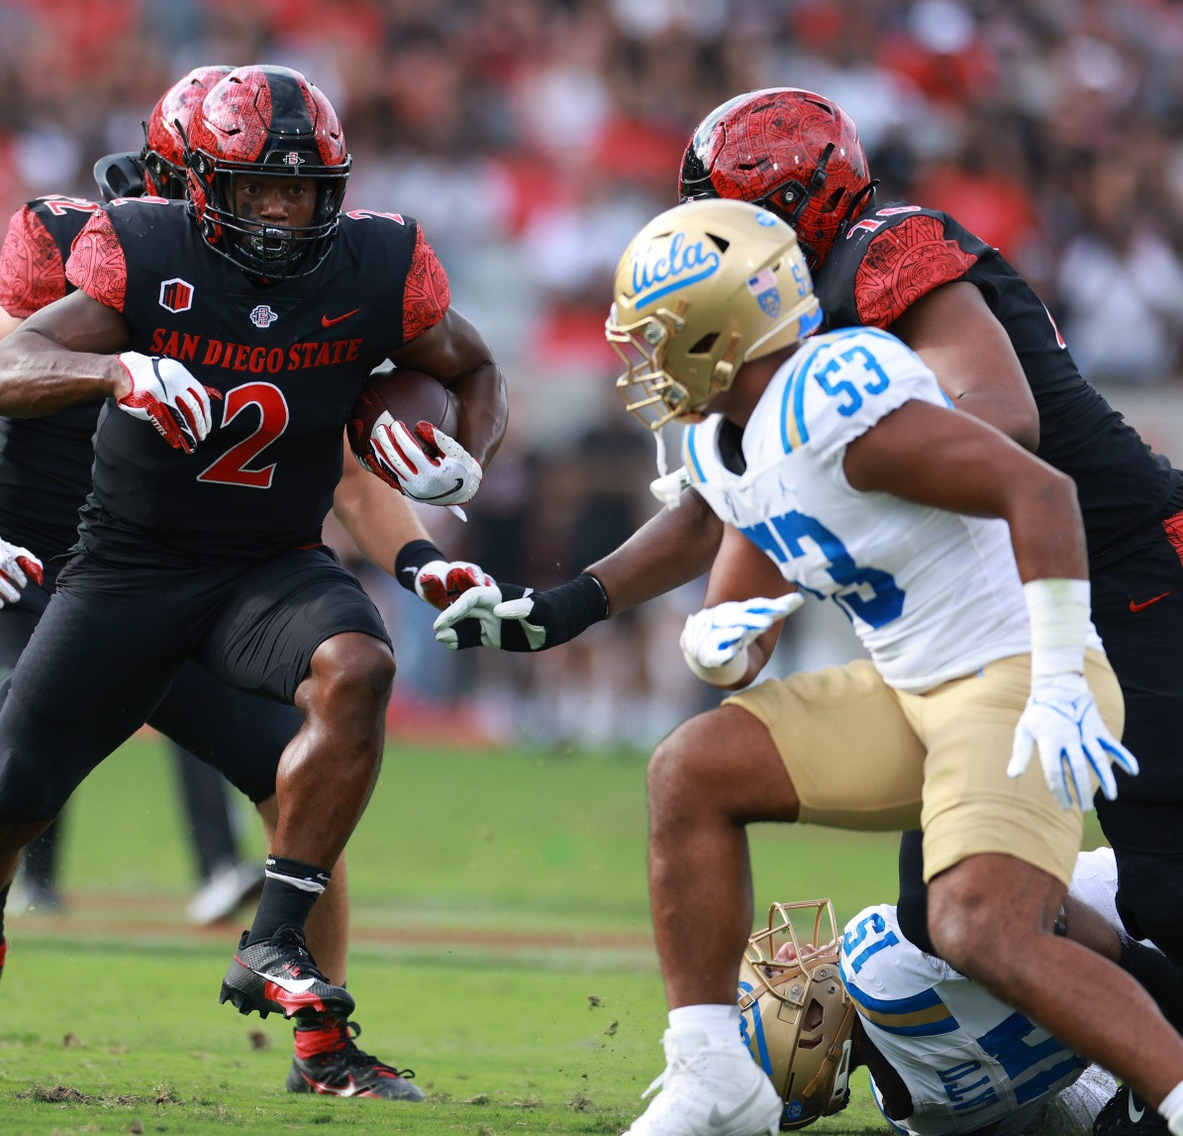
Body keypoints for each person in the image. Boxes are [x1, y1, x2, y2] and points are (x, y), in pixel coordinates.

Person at [0, 64, 507, 1092]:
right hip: (60, 563)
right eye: (238, 189)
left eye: (295, 190)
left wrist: (428, 546)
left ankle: (311, 1021)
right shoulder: (101, 249)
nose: (273, 216)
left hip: (242, 569)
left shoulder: (341, 269)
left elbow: (355, 453)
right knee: (10, 786)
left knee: (321, 751)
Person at [436, 88, 1183, 969]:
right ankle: (1148, 1030)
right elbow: (708, 519)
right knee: (945, 909)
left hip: (1128, 570)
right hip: (997, 618)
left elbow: (1000, 420)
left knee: (1162, 879)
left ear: (795, 204)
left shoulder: (885, 251)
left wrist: (837, 479)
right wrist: (563, 607)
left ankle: (1152, 1063)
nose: (705, 238)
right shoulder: (778, 324)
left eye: (723, 213)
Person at [579, 198, 1183, 1136]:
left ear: (718, 332)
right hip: (914, 691)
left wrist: (1064, 674)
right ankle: (713, 1078)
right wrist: (720, 638)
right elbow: (740, 627)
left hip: (1011, 681)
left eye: (660, 336)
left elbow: (1042, 490)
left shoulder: (837, 388)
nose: (645, 361)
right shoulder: (723, 435)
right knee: (691, 771)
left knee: (977, 925)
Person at [741, 851, 1151, 1136]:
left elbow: (1074, 1106)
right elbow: (1000, 891)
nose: (787, 953)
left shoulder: (918, 1120)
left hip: (1145, 1030)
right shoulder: (875, 968)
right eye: (775, 978)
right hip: (1149, 904)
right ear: (806, 1033)